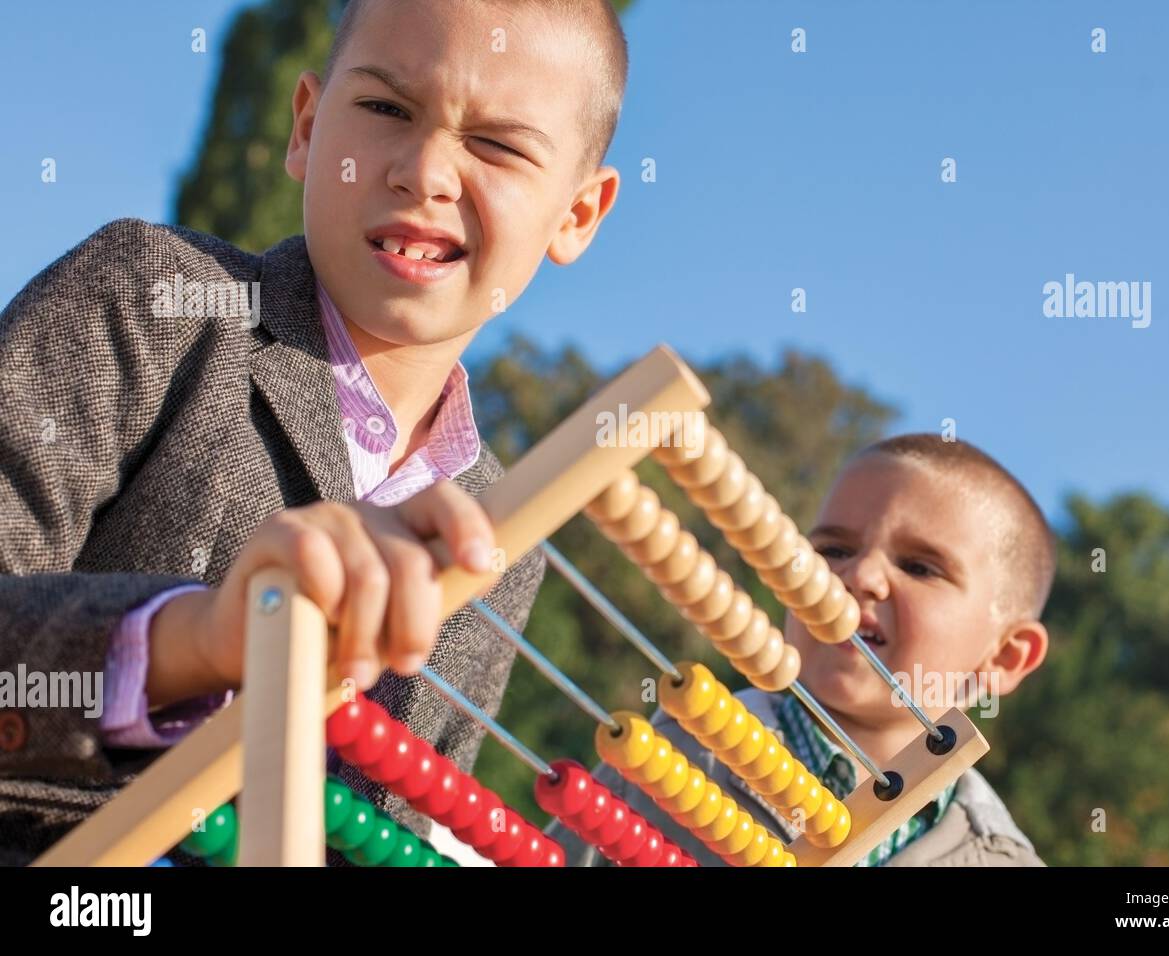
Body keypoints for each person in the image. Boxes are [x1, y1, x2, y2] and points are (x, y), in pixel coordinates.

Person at [0, 0, 627, 865]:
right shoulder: (151, 305)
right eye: (386, 110)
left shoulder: (500, 541)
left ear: (578, 215)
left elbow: (394, 829)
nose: (426, 171)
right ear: (304, 127)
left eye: (498, 145)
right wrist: (200, 636)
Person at [547, 434, 1052, 866]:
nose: (860, 577)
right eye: (833, 550)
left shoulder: (1002, 860)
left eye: (920, 567)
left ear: (1007, 657)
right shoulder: (665, 758)